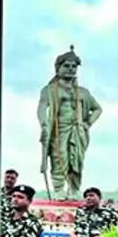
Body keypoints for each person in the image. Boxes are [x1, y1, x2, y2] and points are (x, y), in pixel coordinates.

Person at [38, 46, 103, 200]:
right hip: (59, 130)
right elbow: (41, 108)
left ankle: (74, 189)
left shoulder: (83, 92)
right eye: (66, 66)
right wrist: (44, 124)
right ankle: (59, 189)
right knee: (59, 158)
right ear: (58, 68)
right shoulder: (49, 90)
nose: (71, 69)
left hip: (78, 131)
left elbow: (97, 109)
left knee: (76, 160)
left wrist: (87, 124)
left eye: (74, 66)